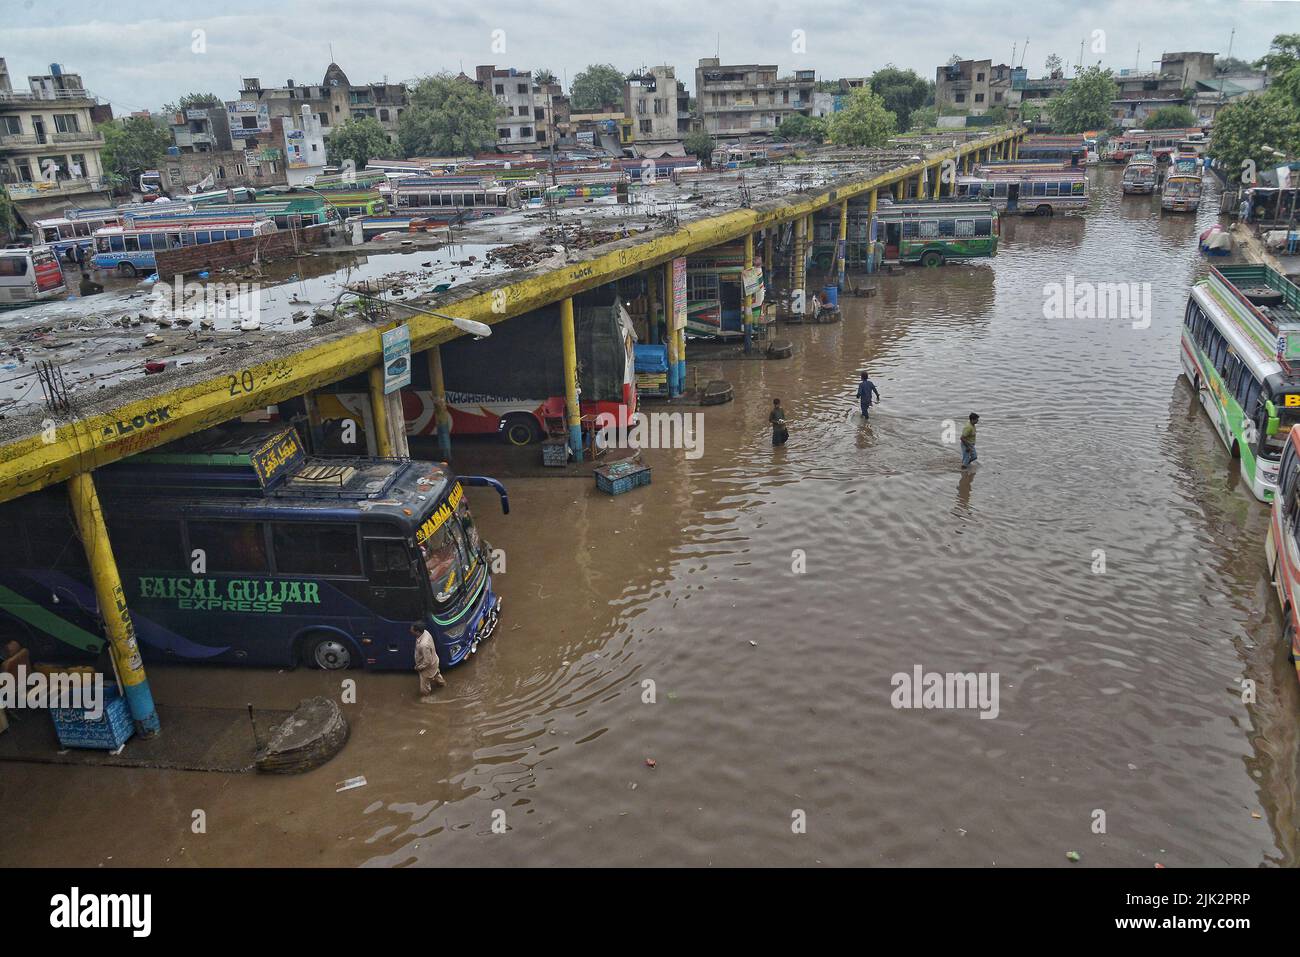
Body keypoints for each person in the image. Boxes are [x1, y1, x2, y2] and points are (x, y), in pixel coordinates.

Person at [411, 622, 445, 702]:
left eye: (412, 630)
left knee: (424, 687)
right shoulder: (425, 632)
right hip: (434, 661)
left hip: (427, 667)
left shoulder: (423, 645)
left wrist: (419, 667)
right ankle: (442, 685)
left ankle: (426, 700)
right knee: (436, 674)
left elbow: (427, 661)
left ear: (417, 632)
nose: (410, 630)